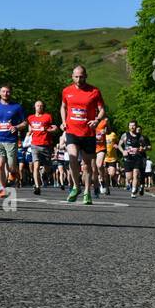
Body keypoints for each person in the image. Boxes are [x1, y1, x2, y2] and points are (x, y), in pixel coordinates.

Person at [59, 64, 106, 205]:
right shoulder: (66, 91)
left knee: (87, 166)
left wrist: (97, 120)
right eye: (76, 77)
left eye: (81, 77)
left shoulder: (94, 91)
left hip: (88, 133)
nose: (79, 79)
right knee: (72, 158)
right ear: (72, 76)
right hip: (72, 131)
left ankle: (87, 192)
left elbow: (102, 110)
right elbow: (63, 106)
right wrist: (63, 121)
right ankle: (75, 186)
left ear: (86, 76)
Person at [0, 85, 28, 199]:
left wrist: (17, 127)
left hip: (11, 140)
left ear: (11, 93)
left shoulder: (17, 107)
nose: (5, 94)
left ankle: (13, 173)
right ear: (0, 93)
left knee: (11, 167)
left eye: (8, 92)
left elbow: (25, 123)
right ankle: (2, 188)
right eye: (3, 91)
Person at [25, 100, 56, 195]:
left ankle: (44, 174)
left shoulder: (47, 117)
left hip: (46, 145)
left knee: (47, 167)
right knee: (36, 166)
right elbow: (30, 128)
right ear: (34, 107)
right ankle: (37, 187)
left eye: (41, 106)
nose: (39, 107)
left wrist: (47, 129)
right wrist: (29, 133)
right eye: (38, 105)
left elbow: (54, 128)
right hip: (35, 145)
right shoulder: (30, 118)